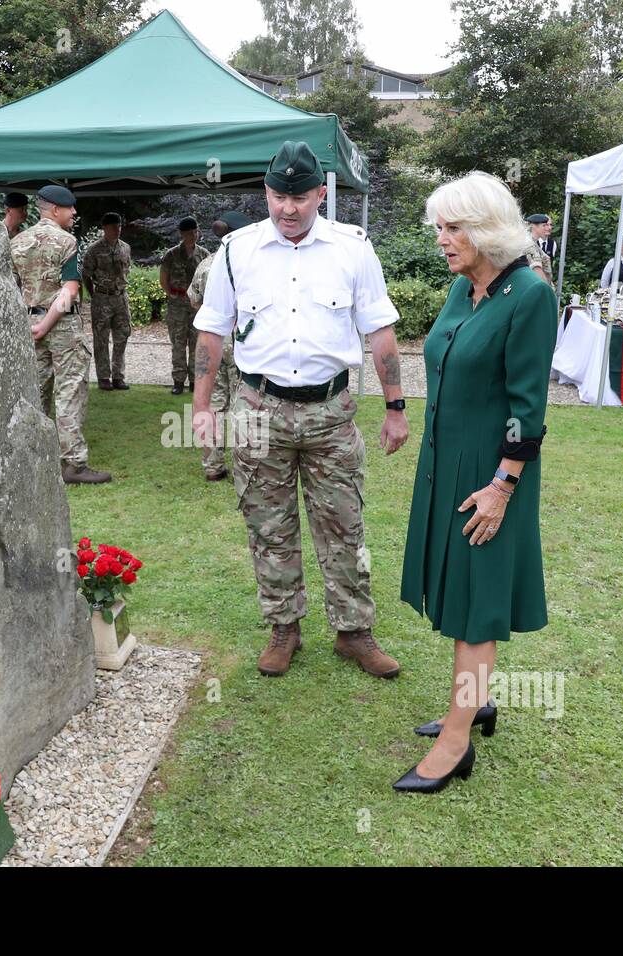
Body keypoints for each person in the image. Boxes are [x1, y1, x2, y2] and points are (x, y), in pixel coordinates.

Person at [192, 140, 410, 680]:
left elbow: (379, 331)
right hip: (258, 407)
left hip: (330, 413)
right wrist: (202, 408)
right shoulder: (237, 251)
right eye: (276, 196)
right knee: (269, 525)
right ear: (266, 192)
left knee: (344, 524)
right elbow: (211, 330)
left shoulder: (353, 249)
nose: (288, 209)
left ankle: (354, 632)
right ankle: (284, 627)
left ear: (320, 194)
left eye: (299, 198)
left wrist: (396, 408)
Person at [395, 171, 556, 794]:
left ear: (489, 229)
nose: (442, 238)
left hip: (490, 477)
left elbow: (527, 406)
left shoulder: (528, 295)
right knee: (460, 597)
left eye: (453, 226)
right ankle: (475, 702)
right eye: (438, 226)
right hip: (445, 467)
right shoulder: (466, 289)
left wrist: (501, 487)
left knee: (476, 612)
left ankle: (457, 742)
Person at [10, 184, 111, 484]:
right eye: (71, 208)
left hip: (29, 324)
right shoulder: (67, 242)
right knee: (69, 391)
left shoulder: (17, 242)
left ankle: (30, 459)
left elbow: (11, 290)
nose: (75, 213)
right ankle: (74, 465)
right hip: (62, 325)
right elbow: (69, 290)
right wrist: (48, 322)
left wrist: (33, 323)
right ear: (55, 210)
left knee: (35, 391)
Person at [187, 210, 252, 481]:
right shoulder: (249, 262)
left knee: (213, 404)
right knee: (244, 403)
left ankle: (213, 465)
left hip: (213, 340)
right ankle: (245, 465)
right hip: (242, 340)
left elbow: (193, 300)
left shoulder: (206, 264)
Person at [159, 217, 210, 394]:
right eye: (189, 233)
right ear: (182, 234)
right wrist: (172, 294)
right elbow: (163, 278)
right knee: (178, 343)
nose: (193, 236)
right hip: (177, 304)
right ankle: (178, 381)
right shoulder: (172, 254)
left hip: (196, 306)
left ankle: (195, 382)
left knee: (197, 343)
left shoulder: (204, 254)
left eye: (195, 232)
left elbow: (209, 279)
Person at [82, 212, 133, 391]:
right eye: (113, 227)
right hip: (102, 298)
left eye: (119, 226)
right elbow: (86, 274)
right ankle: (104, 377)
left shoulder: (125, 248)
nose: (117, 230)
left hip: (121, 298)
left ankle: (118, 376)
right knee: (101, 339)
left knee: (122, 336)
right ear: (104, 228)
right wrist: (94, 294)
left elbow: (127, 271)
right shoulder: (94, 249)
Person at [524, 213, 554, 288]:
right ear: (534, 226)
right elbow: (537, 270)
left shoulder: (534, 243)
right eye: (544, 225)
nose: (548, 228)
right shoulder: (529, 244)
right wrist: (547, 291)